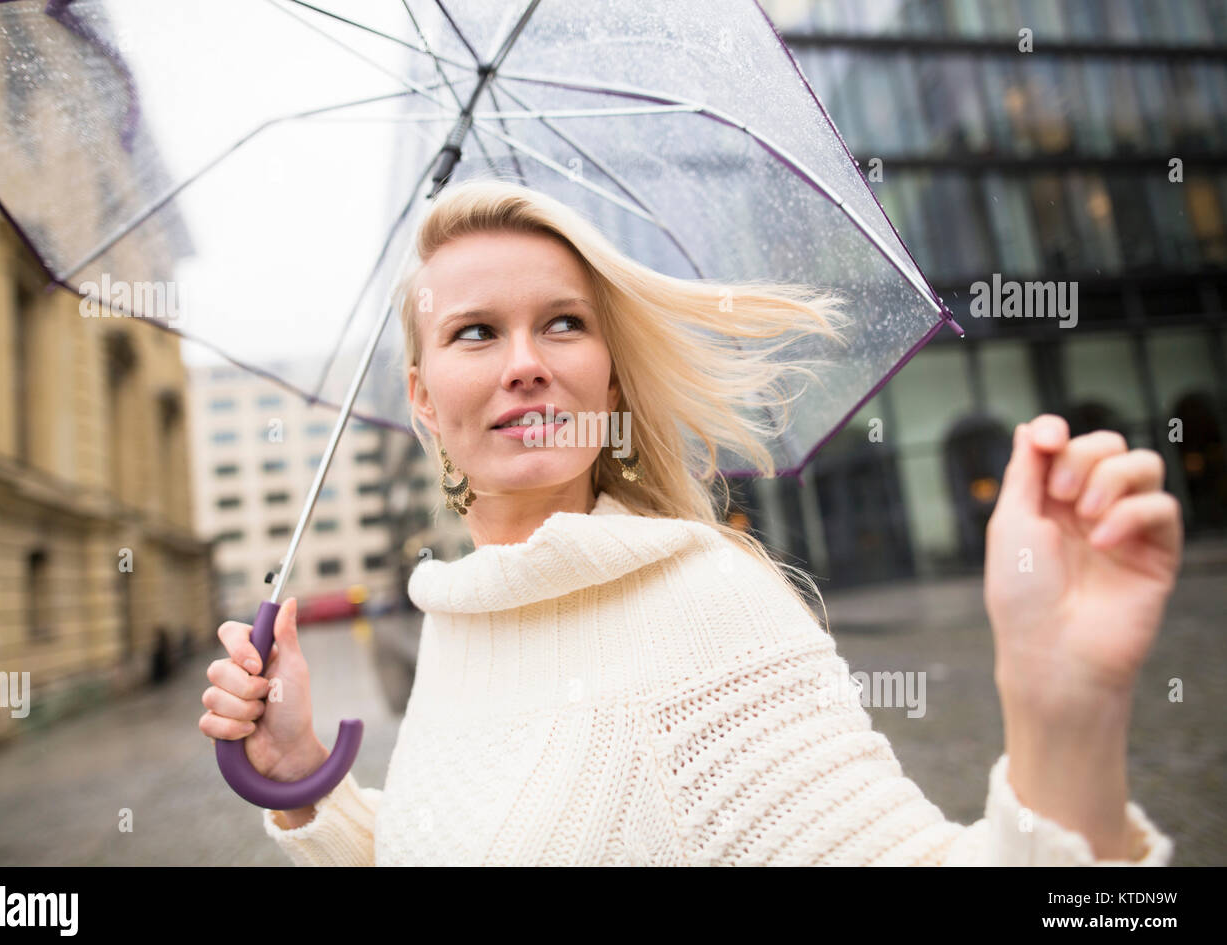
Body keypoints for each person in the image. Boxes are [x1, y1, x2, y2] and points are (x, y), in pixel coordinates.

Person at [199, 179, 1180, 866]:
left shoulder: (704, 601)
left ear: (608, 373)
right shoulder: (454, 617)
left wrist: (1063, 715)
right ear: (422, 397)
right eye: (474, 331)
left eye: (565, 322)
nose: (527, 360)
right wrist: (302, 775)